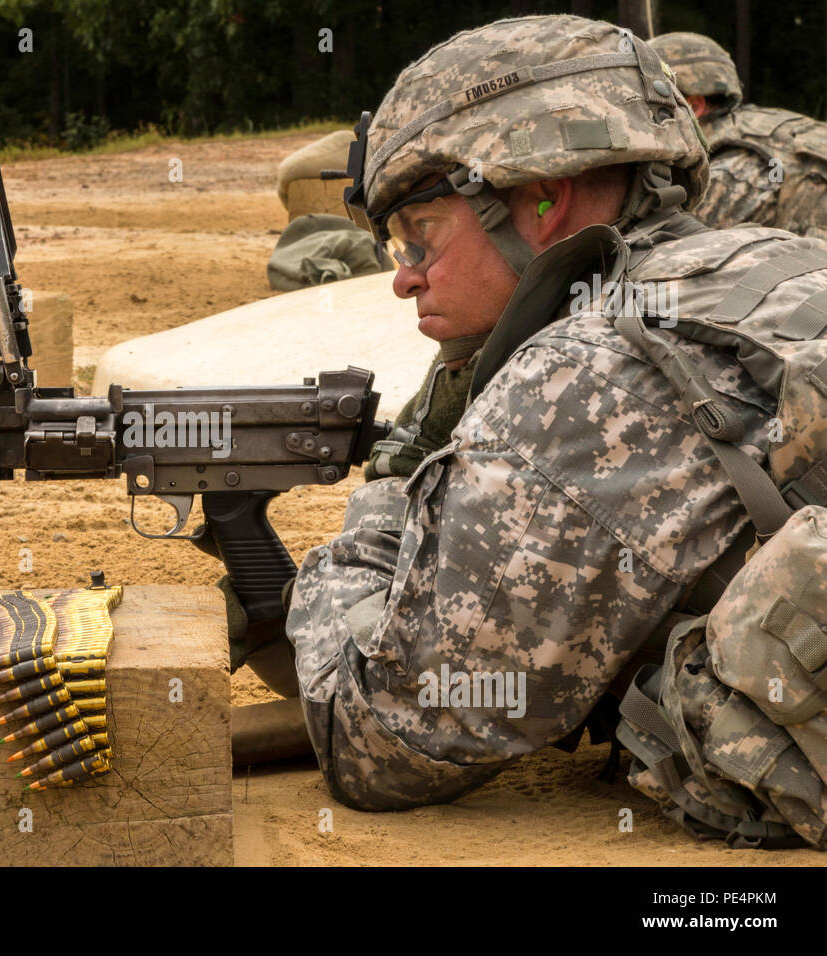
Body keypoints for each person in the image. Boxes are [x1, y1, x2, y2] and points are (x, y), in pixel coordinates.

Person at [225, 13, 827, 810]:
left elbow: (379, 739)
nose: (405, 278)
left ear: (541, 202)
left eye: (419, 237)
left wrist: (388, 499)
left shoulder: (579, 384)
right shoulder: (779, 261)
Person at [649, 31, 827, 239]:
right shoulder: (768, 127)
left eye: (649, 102)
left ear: (693, 106)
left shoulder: (721, 173)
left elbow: (682, 259)